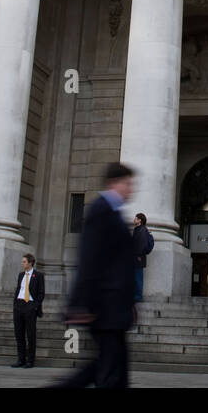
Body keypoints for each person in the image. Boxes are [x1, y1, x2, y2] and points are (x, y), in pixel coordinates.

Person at [57, 163, 137, 388]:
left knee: (107, 367)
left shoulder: (112, 212)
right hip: (105, 308)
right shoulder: (100, 210)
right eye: (128, 184)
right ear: (115, 183)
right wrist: (80, 304)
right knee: (110, 373)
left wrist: (130, 304)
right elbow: (89, 259)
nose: (131, 189)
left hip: (114, 308)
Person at [12, 253, 45, 368]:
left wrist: (34, 306)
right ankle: (21, 359)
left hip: (30, 306)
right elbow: (18, 290)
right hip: (19, 305)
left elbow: (41, 293)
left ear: (30, 263)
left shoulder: (38, 275)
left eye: (24, 261)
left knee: (30, 334)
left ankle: (30, 360)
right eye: (22, 261)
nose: (22, 263)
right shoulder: (21, 275)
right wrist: (15, 304)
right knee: (19, 334)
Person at [132, 212, 154, 302]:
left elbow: (142, 244)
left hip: (138, 257)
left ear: (139, 220)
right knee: (136, 277)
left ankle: (138, 296)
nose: (134, 220)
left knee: (138, 277)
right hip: (137, 257)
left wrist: (139, 255)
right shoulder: (138, 229)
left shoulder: (141, 230)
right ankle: (135, 295)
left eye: (136, 218)